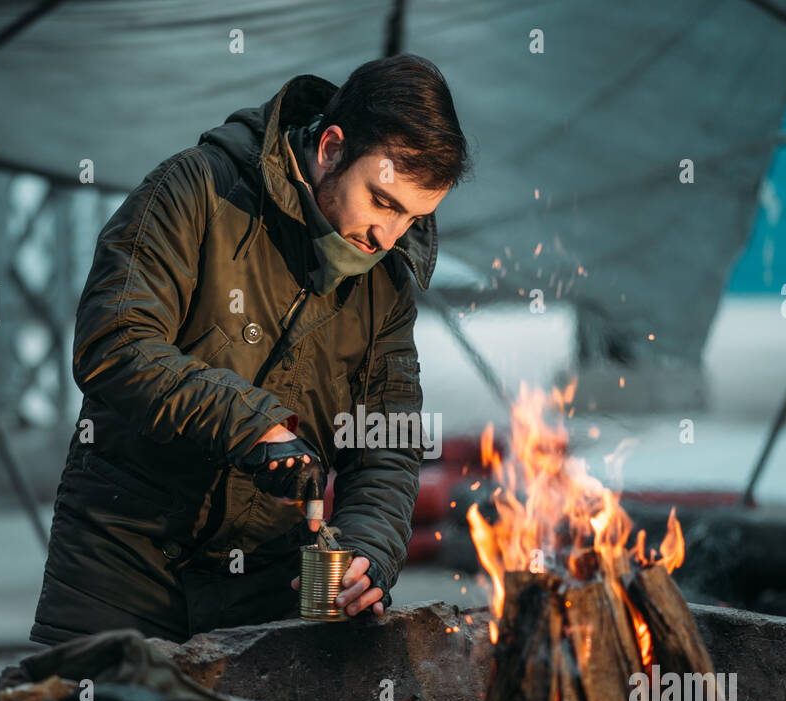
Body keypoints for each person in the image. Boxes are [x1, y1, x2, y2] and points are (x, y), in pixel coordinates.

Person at [29, 54, 471, 645]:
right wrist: (251, 424)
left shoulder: (385, 285)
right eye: (384, 203)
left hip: (265, 591)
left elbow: (383, 449)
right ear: (331, 149)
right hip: (117, 571)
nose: (386, 237)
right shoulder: (194, 192)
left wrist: (367, 556)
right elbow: (115, 342)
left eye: (413, 218)